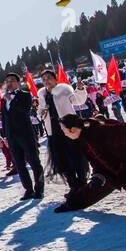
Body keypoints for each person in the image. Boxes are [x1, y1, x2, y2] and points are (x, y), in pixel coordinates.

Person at [53, 115, 126, 213]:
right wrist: (97, 175)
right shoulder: (81, 141)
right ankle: (72, 204)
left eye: (64, 130)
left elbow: (118, 131)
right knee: (94, 187)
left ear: (73, 129)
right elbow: (94, 161)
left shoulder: (97, 131)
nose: (64, 133)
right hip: (110, 170)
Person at [38, 70, 90, 198]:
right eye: (44, 79)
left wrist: (80, 88)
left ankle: (82, 182)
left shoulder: (64, 90)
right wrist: (42, 114)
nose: (46, 81)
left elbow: (78, 100)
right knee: (61, 160)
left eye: (49, 78)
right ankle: (73, 185)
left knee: (76, 155)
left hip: (69, 128)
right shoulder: (42, 95)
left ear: (55, 79)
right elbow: (40, 112)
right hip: (53, 131)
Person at [1, 73, 45, 200]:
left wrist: (11, 100)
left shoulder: (25, 95)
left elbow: (24, 110)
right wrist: (5, 136)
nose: (9, 83)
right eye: (7, 81)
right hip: (11, 137)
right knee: (19, 165)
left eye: (12, 81)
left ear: (18, 83)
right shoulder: (3, 99)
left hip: (26, 135)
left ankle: (39, 189)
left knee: (34, 162)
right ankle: (28, 190)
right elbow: (4, 118)